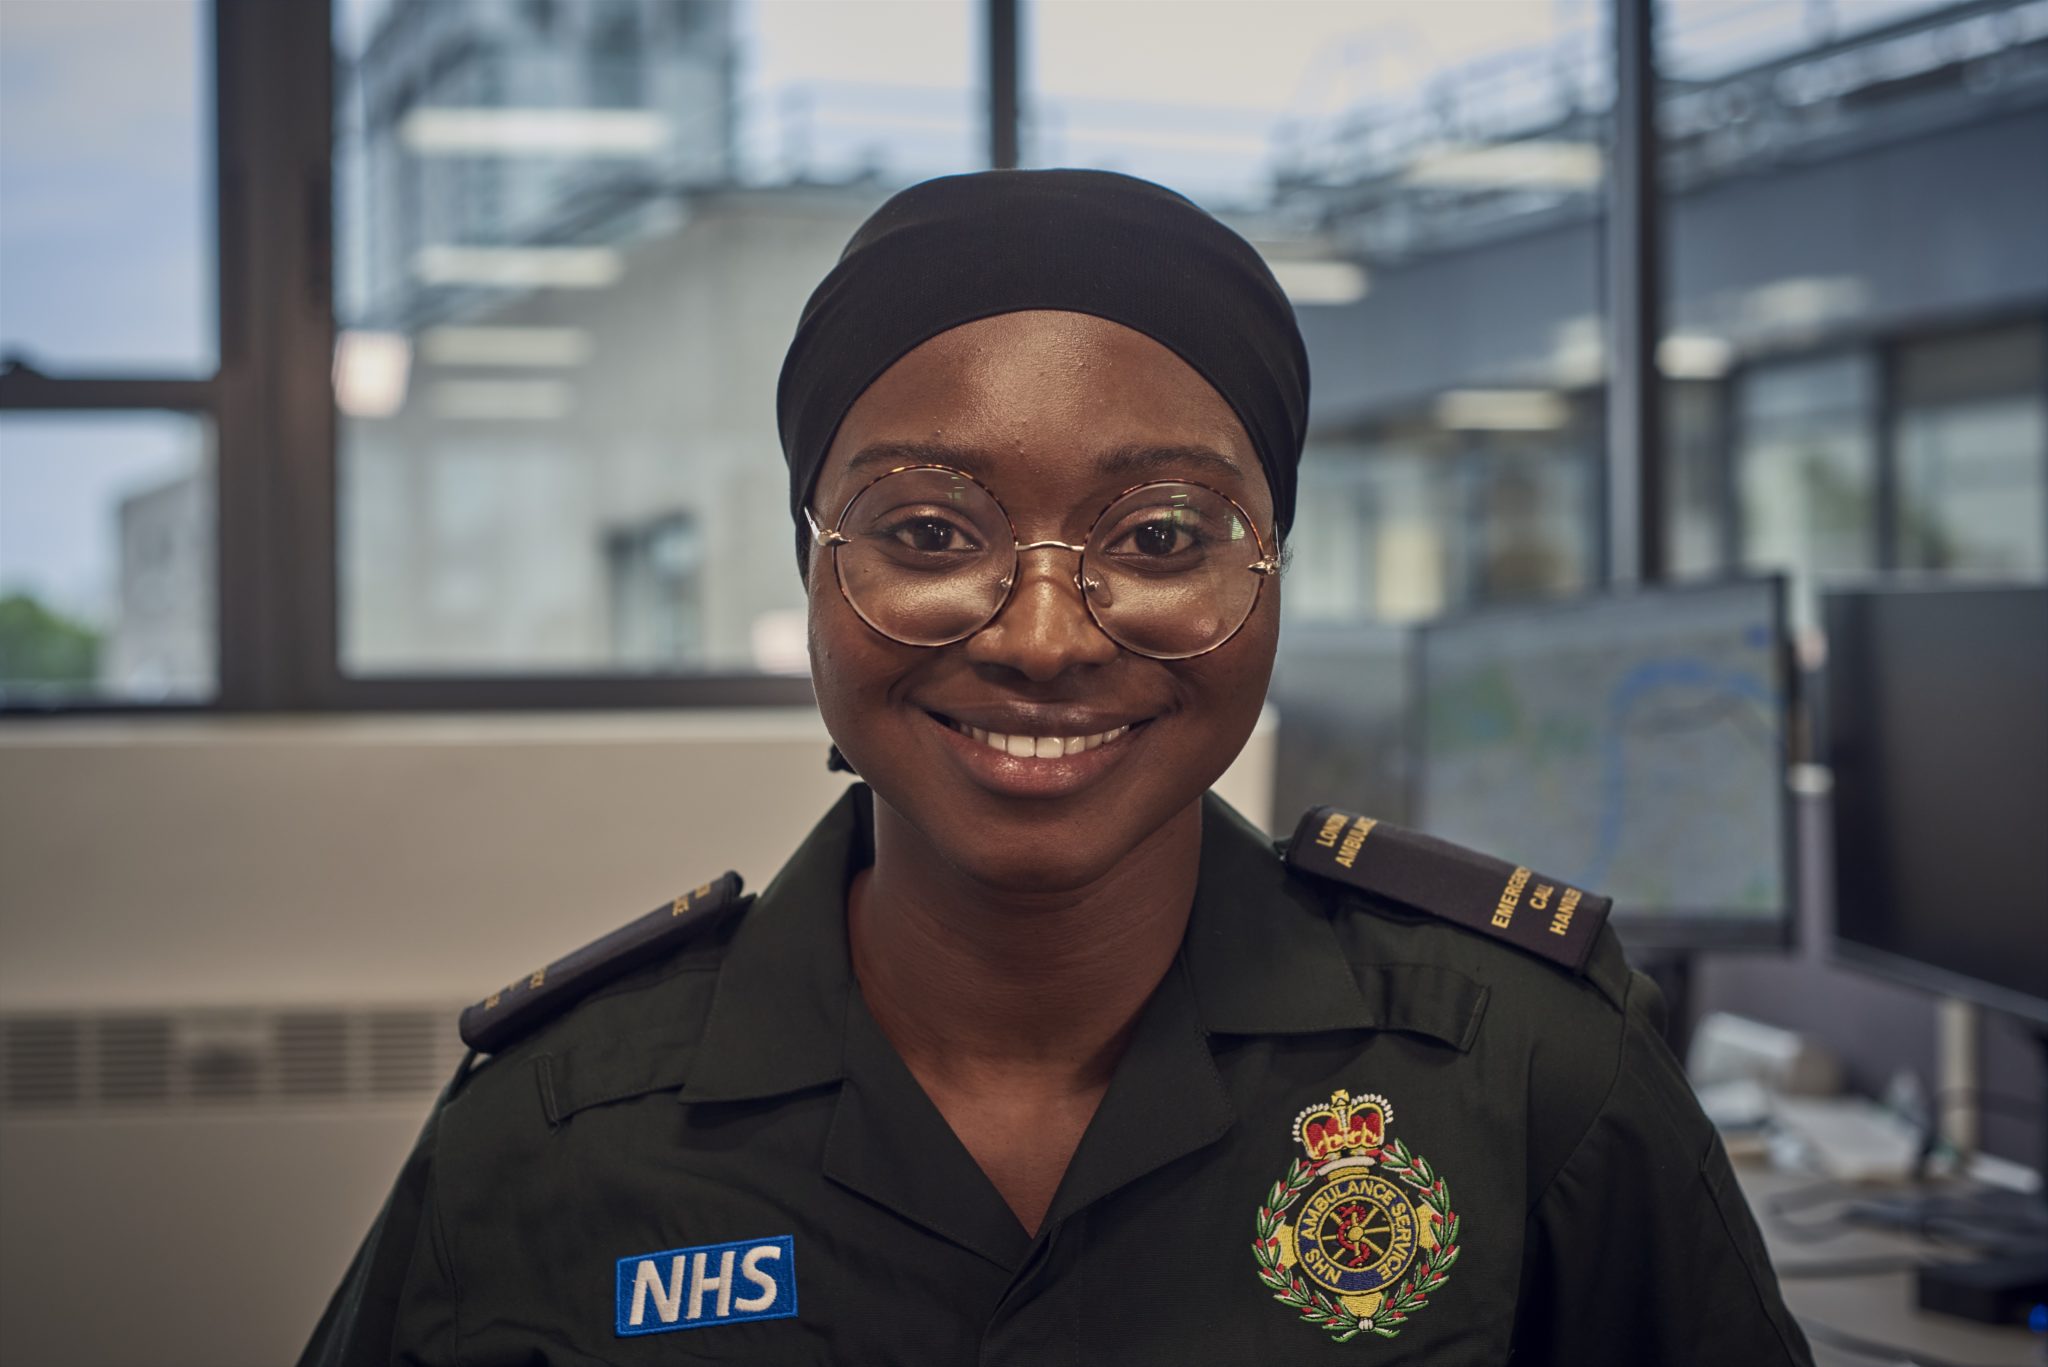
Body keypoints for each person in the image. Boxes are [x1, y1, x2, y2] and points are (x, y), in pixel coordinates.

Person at [299, 170, 1812, 1366]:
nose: (1040, 637)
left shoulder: (1530, 1080)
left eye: (1158, 539)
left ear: (1271, 571)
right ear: (814, 575)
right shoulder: (558, 1134)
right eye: (929, 533)